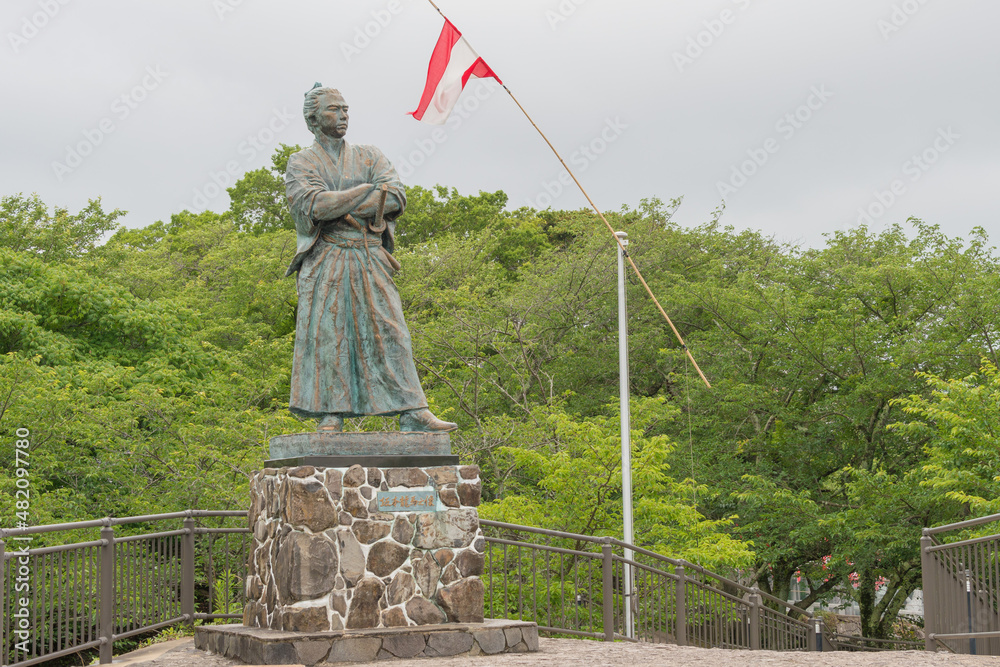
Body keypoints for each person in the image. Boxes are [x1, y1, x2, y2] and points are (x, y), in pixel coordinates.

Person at [283, 84, 456, 433]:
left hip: (368, 254)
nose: (344, 115)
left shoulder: (369, 155)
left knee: (391, 332)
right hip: (326, 259)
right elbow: (314, 205)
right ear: (313, 119)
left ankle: (413, 411)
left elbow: (394, 197)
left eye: (346, 109)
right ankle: (330, 415)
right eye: (334, 109)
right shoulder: (301, 162)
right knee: (330, 336)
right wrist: (366, 192)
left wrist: (344, 201)